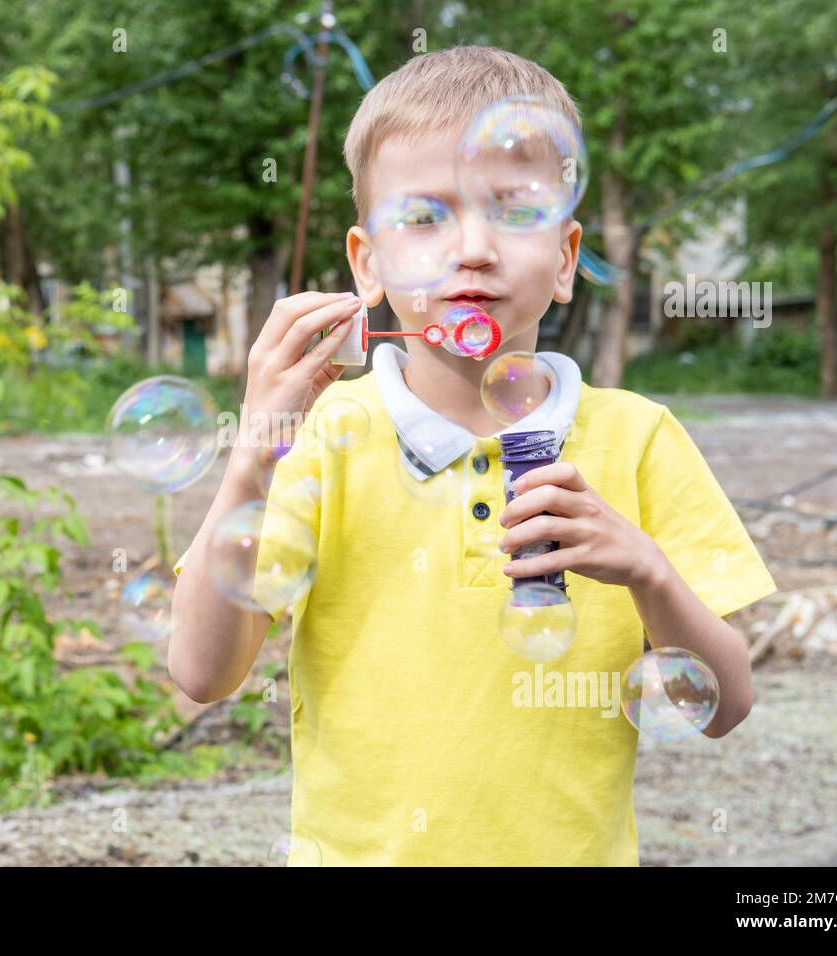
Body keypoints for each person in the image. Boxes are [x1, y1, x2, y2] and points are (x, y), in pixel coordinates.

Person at [167, 46, 776, 865]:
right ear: (368, 264)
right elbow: (203, 673)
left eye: (513, 210)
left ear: (564, 261)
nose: (473, 248)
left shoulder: (638, 438)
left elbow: (723, 705)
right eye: (423, 217)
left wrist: (647, 571)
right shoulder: (324, 437)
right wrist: (252, 456)